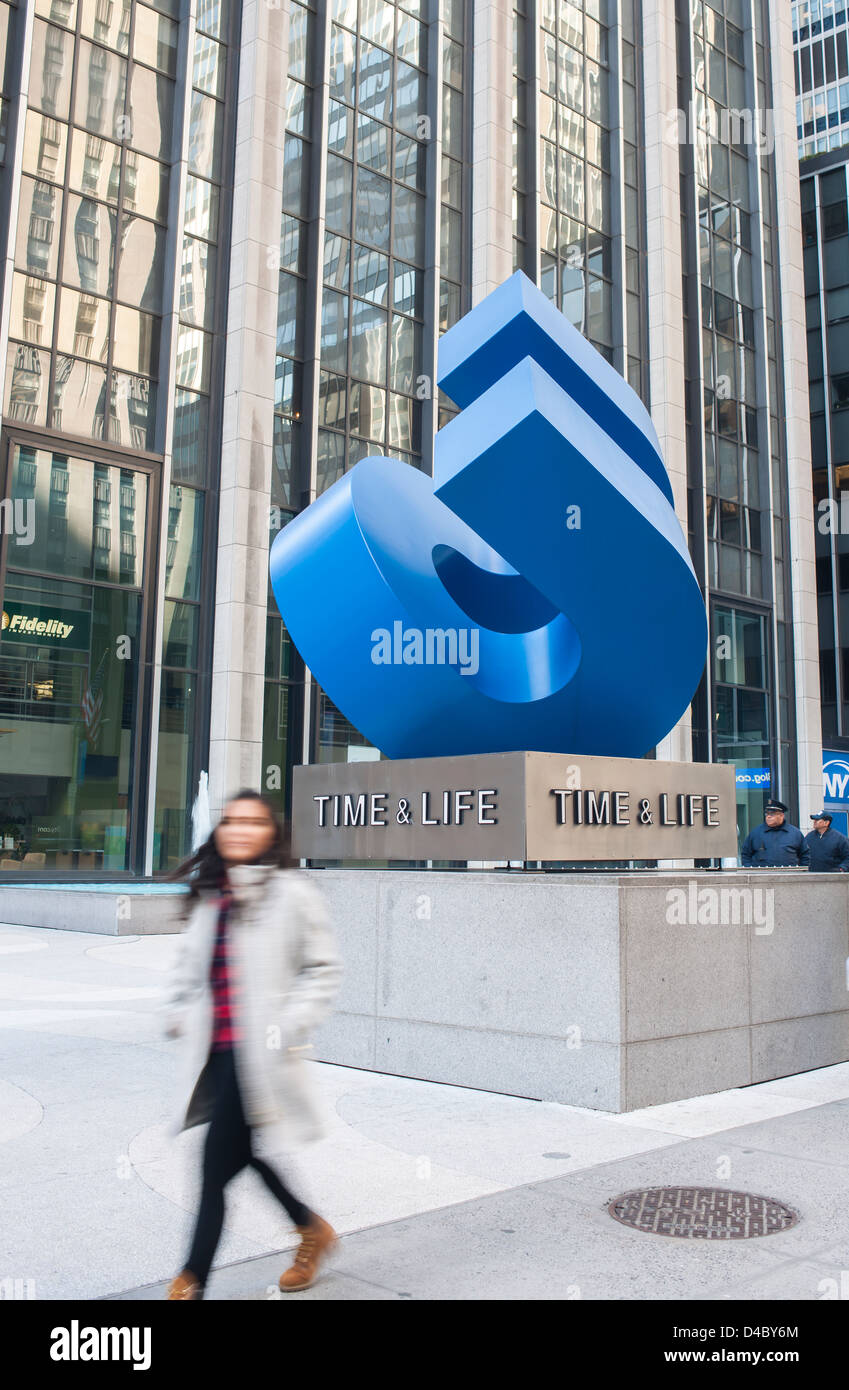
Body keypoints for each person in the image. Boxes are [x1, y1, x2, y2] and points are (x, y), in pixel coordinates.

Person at [161, 789, 342, 1300]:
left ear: (271, 834)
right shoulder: (212, 894)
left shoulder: (293, 893)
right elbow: (189, 967)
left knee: (215, 1163)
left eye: (253, 822)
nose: (239, 829)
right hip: (215, 1053)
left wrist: (286, 1025)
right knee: (239, 1153)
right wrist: (177, 1007)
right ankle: (311, 1228)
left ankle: (191, 1280)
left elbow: (323, 970)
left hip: (261, 1054)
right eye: (231, 821)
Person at [740, 798, 810, 868]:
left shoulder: (795, 833)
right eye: (767, 814)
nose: (768, 816)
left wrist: (800, 873)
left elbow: (805, 856)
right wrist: (750, 871)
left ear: (781, 816)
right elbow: (745, 855)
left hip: (788, 875)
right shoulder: (756, 833)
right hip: (762, 876)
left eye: (772, 814)